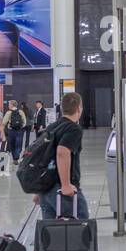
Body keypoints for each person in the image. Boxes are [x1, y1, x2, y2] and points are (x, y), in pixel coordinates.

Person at [35, 91, 87, 220]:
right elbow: (62, 152)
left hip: (45, 189)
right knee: (81, 223)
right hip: (61, 190)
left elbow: (42, 157)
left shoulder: (52, 127)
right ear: (79, 108)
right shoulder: (73, 128)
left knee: (51, 233)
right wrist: (66, 184)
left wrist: (38, 190)